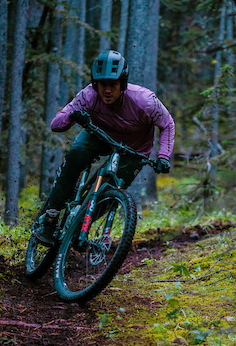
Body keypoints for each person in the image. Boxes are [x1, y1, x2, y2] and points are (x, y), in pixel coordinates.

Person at [35, 49, 175, 245]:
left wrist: (163, 156)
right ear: (95, 84)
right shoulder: (88, 95)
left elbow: (167, 124)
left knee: (110, 193)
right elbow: (56, 124)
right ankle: (49, 218)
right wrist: (72, 116)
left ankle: (78, 229)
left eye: (113, 85)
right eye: (102, 85)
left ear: (122, 84)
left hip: (133, 148)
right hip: (98, 135)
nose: (107, 90)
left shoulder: (145, 101)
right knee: (75, 156)